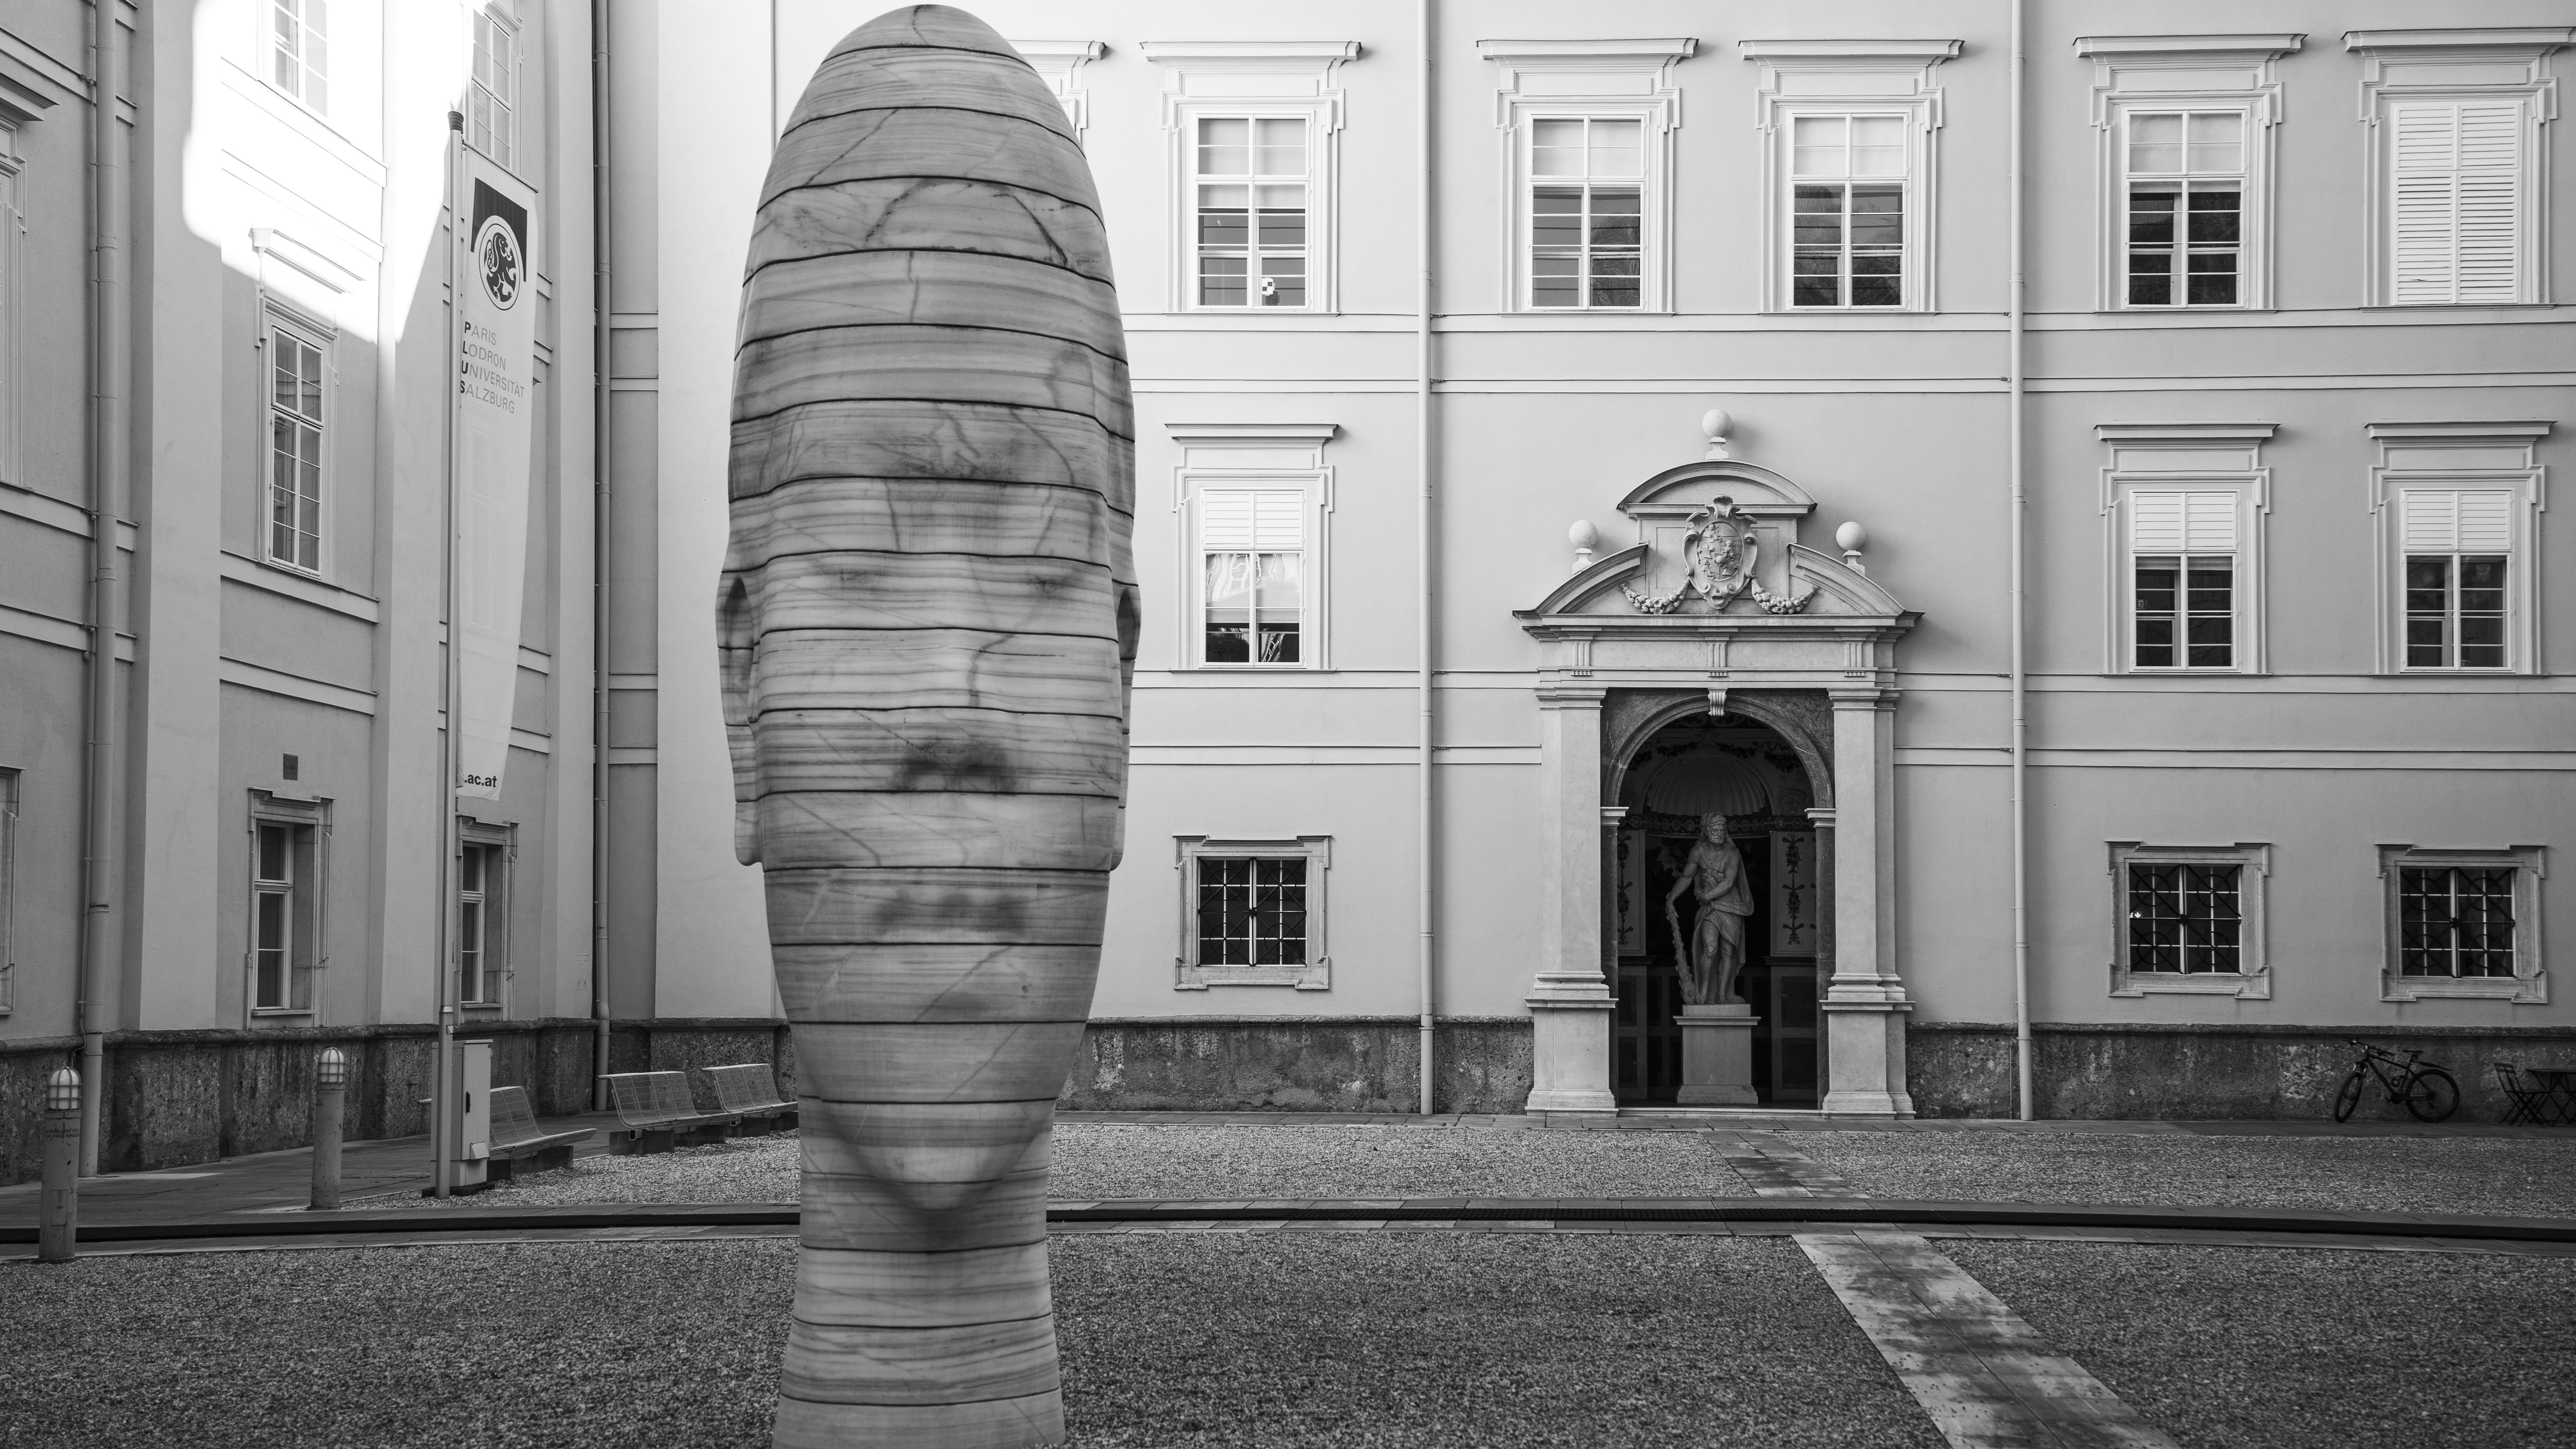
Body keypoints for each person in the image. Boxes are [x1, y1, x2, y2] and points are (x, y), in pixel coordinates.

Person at [1664, 813, 1755, 1005]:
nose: (1720, 833)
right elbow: (1687, 878)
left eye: (1723, 829)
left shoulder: (1732, 853)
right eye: (1716, 829)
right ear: (1707, 831)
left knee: (1727, 951)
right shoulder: (1697, 852)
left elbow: (1730, 882)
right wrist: (1671, 899)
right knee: (1711, 948)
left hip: (1731, 907)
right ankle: (1704, 989)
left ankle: (1722, 995)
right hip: (1710, 910)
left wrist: (1707, 895)